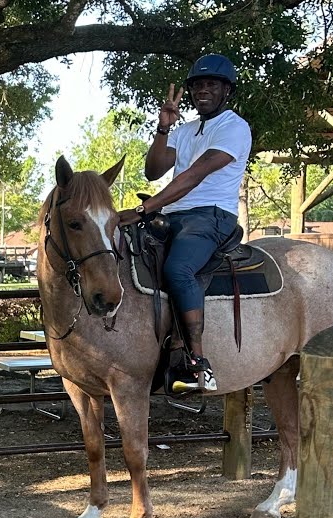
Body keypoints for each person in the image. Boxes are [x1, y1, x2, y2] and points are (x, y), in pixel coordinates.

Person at [116, 53, 251, 394]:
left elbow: (193, 176)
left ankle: (196, 362)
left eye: (211, 85)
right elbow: (154, 170)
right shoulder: (184, 130)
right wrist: (163, 127)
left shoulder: (235, 127)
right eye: (198, 85)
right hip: (172, 214)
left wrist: (145, 209)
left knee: (178, 269)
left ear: (226, 92)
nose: (203, 90)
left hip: (212, 216)